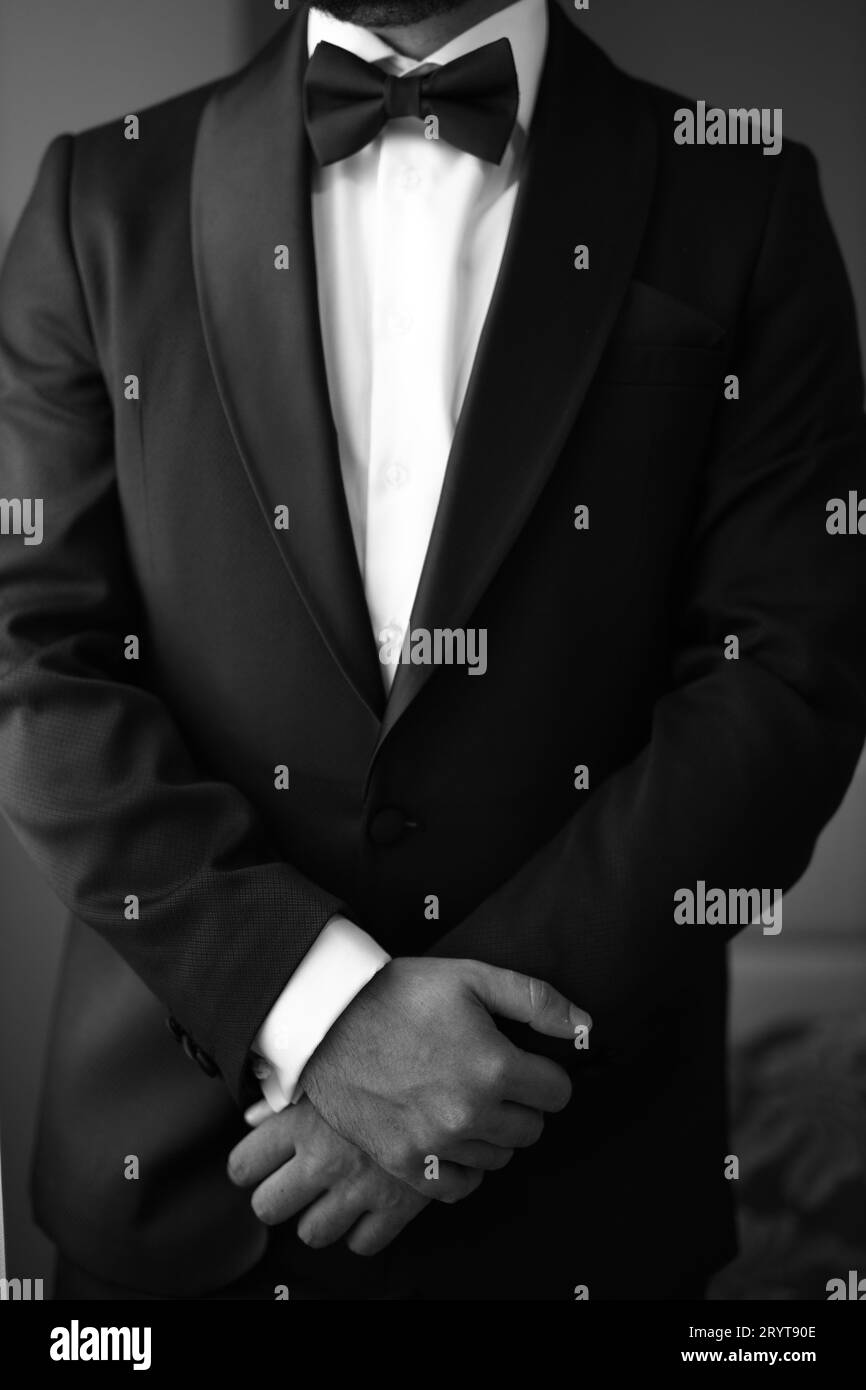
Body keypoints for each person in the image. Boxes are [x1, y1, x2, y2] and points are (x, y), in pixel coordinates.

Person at [1, 0, 864, 1302]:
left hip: (577, 1191)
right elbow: (31, 651)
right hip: (169, 1193)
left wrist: (473, 1049)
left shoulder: (740, 192)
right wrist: (318, 1004)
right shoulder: (98, 190)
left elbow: (785, 672)